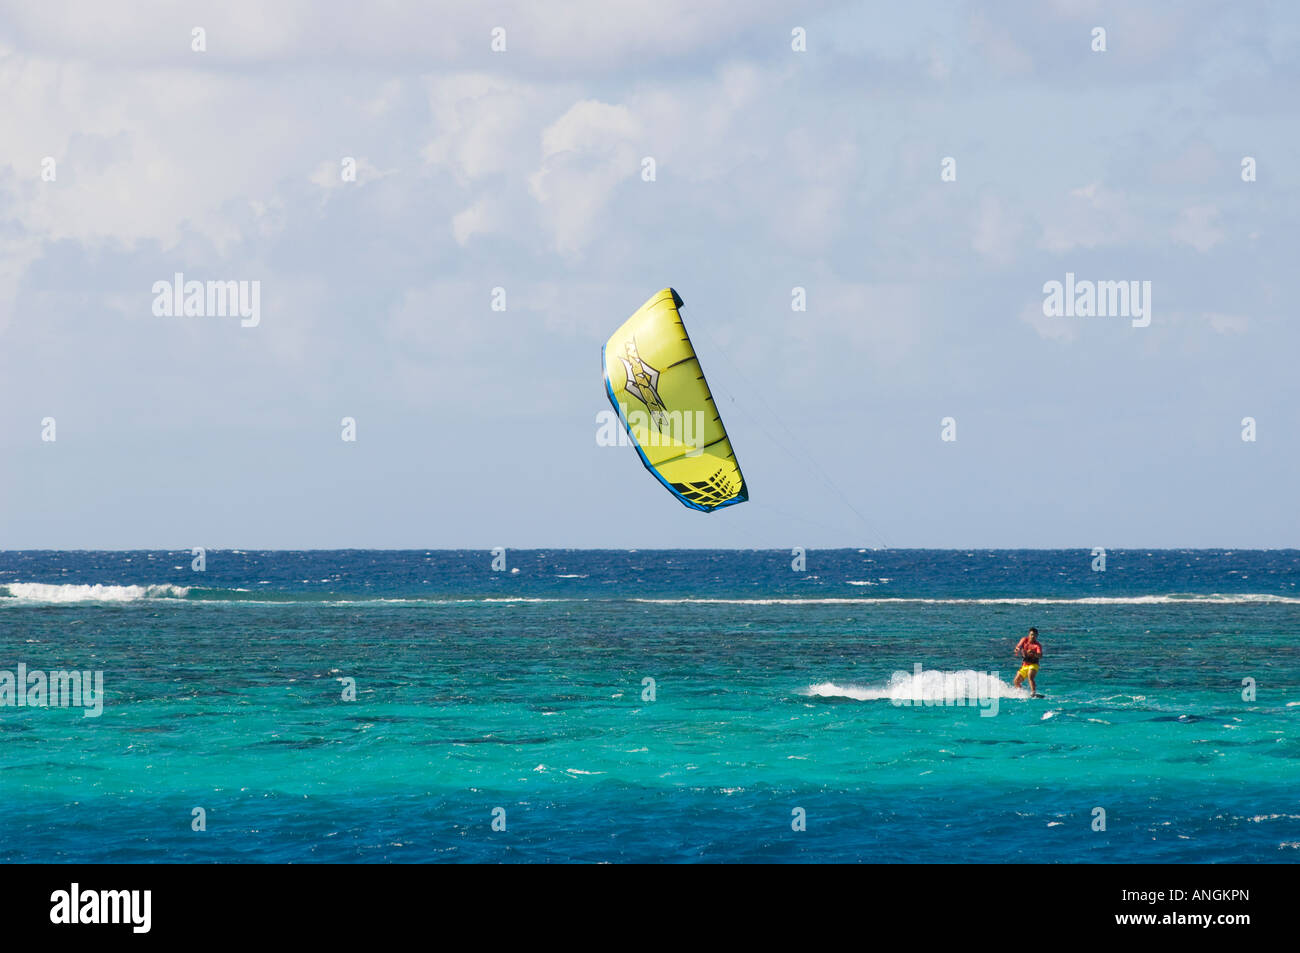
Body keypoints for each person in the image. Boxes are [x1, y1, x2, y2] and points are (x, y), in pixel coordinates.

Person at [1012, 627, 1043, 695]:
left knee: (1030, 676)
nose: (1033, 636)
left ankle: (1033, 693)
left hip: (1034, 665)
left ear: (1037, 636)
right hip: (1025, 664)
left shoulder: (1037, 645)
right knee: (1016, 681)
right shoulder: (1024, 640)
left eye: (1034, 635)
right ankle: (1020, 693)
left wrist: (1034, 653)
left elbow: (1040, 656)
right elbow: (1019, 646)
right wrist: (1017, 649)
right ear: (1029, 634)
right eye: (1031, 634)